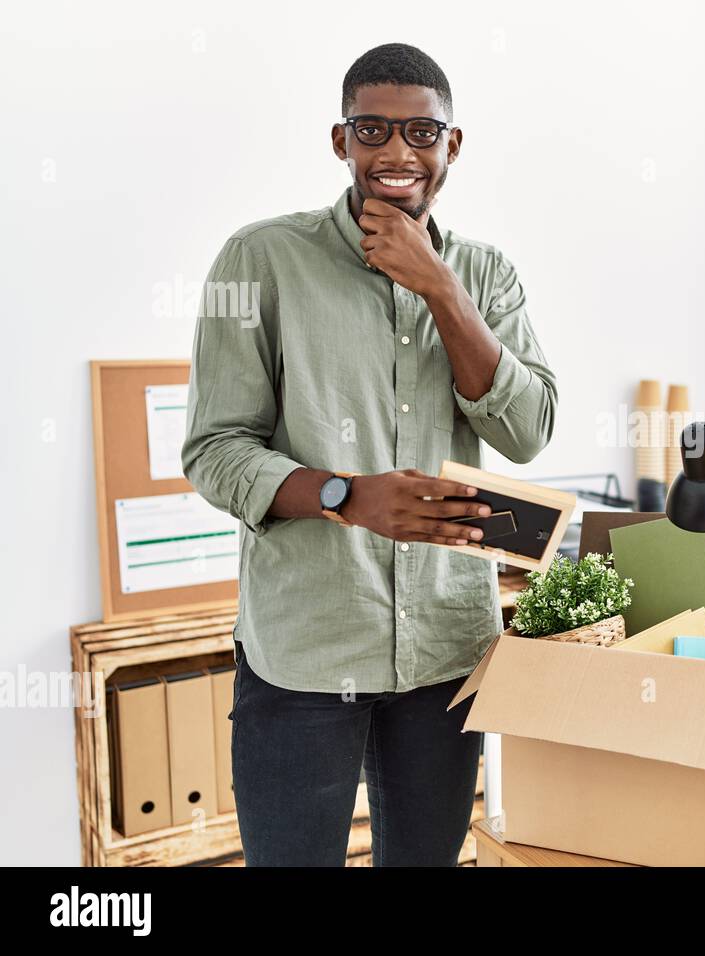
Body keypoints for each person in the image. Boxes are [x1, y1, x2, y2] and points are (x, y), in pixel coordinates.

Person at [181, 42, 556, 866]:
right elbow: (214, 449)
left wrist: (442, 288)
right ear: (341, 141)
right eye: (373, 130)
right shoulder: (261, 261)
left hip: (445, 649)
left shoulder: (485, 275)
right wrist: (344, 496)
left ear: (450, 146)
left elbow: (527, 431)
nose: (397, 153)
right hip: (306, 653)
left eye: (421, 133)